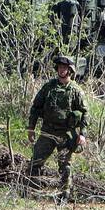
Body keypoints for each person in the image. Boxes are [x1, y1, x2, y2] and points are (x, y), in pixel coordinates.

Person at [26, 54, 88, 199]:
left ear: (70, 70)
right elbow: (35, 107)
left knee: (65, 166)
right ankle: (31, 191)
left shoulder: (76, 90)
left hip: (66, 134)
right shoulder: (48, 87)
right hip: (47, 131)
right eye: (60, 67)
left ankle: (64, 194)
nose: (62, 70)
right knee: (36, 161)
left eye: (65, 68)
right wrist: (31, 127)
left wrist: (83, 134)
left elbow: (85, 113)